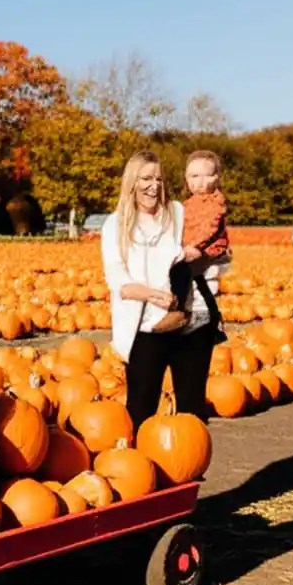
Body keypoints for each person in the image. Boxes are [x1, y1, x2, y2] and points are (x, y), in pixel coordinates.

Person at [99, 151, 219, 433]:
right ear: (132, 182)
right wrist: (153, 295)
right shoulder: (115, 225)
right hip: (145, 327)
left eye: (158, 179)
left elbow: (210, 234)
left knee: (192, 414)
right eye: (146, 178)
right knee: (140, 413)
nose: (153, 185)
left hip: (188, 324)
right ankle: (142, 471)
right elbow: (118, 280)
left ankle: (189, 471)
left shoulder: (178, 213)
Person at [153, 149, 232, 335]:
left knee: (200, 284)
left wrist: (191, 246)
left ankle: (189, 315)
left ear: (217, 178)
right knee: (192, 283)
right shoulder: (189, 203)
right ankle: (194, 315)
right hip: (194, 251)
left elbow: (208, 229)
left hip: (210, 254)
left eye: (207, 176)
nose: (199, 182)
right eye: (194, 176)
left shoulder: (214, 203)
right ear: (186, 179)